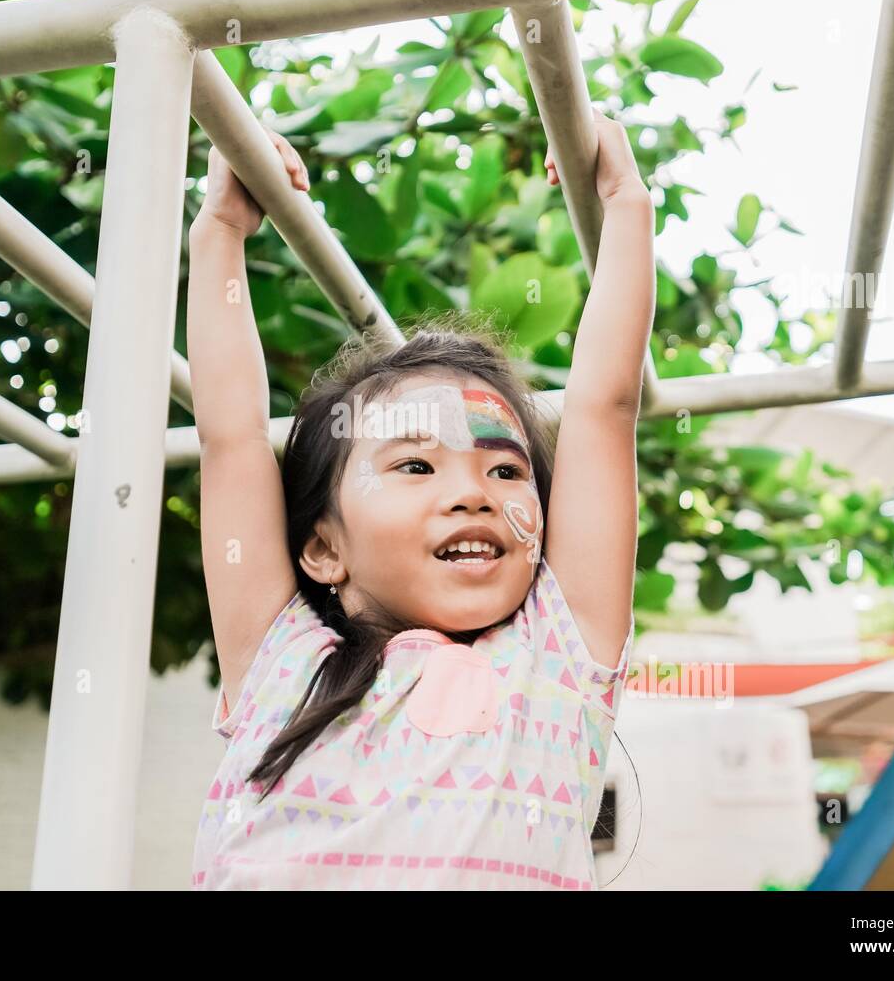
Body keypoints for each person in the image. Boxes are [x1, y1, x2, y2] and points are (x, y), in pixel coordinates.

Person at [186, 106, 655, 889]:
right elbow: (231, 438)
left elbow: (606, 408)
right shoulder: (283, 663)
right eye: (415, 467)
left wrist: (627, 203)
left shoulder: (555, 660)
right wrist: (220, 230)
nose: (474, 492)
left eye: (506, 472)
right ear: (323, 547)